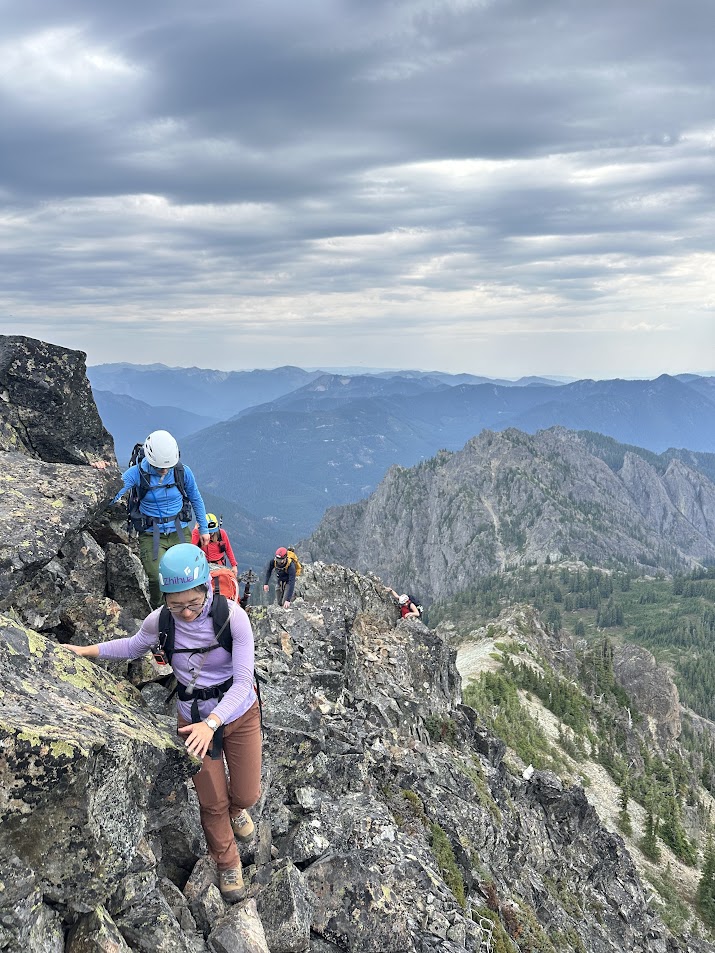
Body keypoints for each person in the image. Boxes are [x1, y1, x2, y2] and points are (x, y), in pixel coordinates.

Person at [65, 544, 261, 903]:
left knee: (247, 793)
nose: (185, 613)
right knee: (212, 801)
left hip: (239, 714)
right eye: (175, 605)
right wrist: (87, 651)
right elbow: (132, 647)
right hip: (192, 721)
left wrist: (214, 722)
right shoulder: (161, 621)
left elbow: (244, 680)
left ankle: (239, 809)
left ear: (207, 590)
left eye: (193, 604)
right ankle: (227, 861)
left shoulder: (233, 619)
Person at [113, 430, 210, 607]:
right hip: (151, 534)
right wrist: (100, 474)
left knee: (187, 576)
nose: (164, 470)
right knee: (157, 577)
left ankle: (187, 611)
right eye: (159, 467)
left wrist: (204, 528)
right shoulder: (137, 473)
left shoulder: (182, 472)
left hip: (179, 531)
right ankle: (160, 611)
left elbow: (196, 498)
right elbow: (112, 493)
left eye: (168, 466)